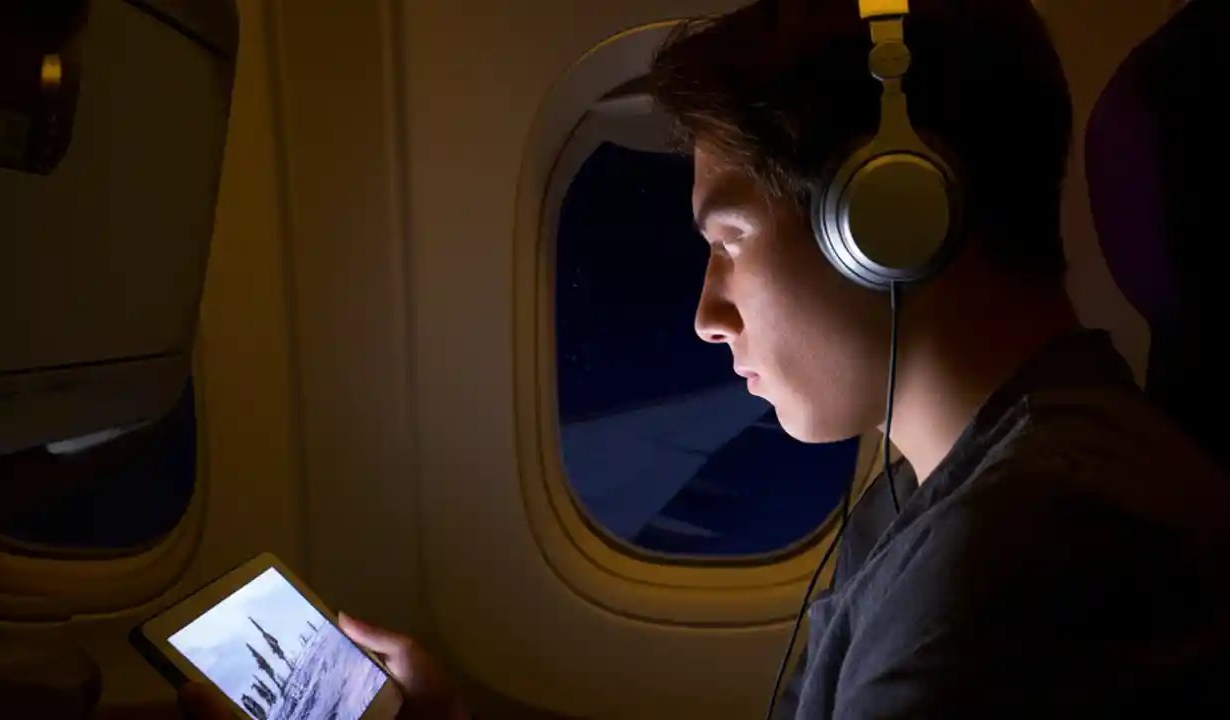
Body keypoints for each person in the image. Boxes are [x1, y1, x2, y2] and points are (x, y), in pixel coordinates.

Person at [181, 0, 1230, 717]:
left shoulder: (1025, 557)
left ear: (889, 215)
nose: (705, 315)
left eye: (726, 240)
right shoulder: (948, 492)